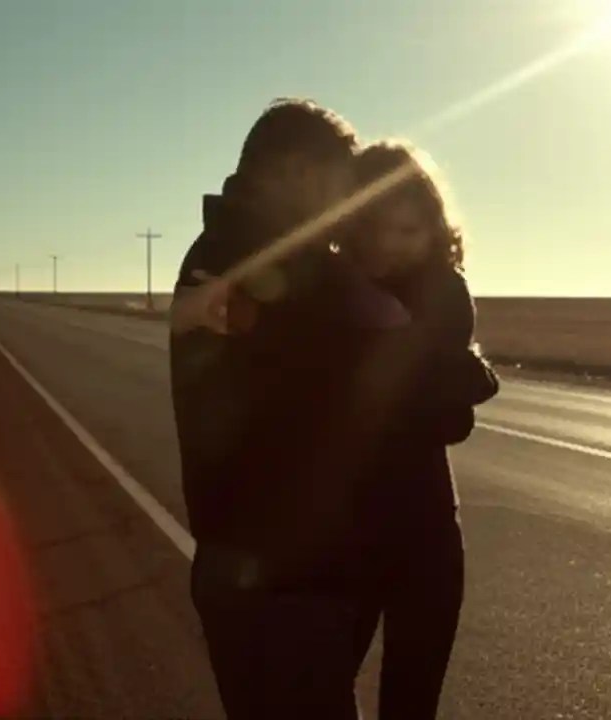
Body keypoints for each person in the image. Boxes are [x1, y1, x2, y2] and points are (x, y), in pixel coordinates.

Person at [169, 98, 408, 720]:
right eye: (335, 182)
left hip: (254, 571)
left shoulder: (224, 252)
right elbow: (387, 352)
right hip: (284, 583)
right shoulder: (262, 262)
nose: (343, 202)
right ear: (294, 172)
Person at [341, 139, 500, 720]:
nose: (391, 245)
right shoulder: (329, 293)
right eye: (376, 229)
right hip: (342, 532)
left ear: (433, 230)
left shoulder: (446, 291)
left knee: (412, 704)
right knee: (319, 693)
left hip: (425, 529)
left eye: (408, 231)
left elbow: (443, 413)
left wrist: (462, 378)